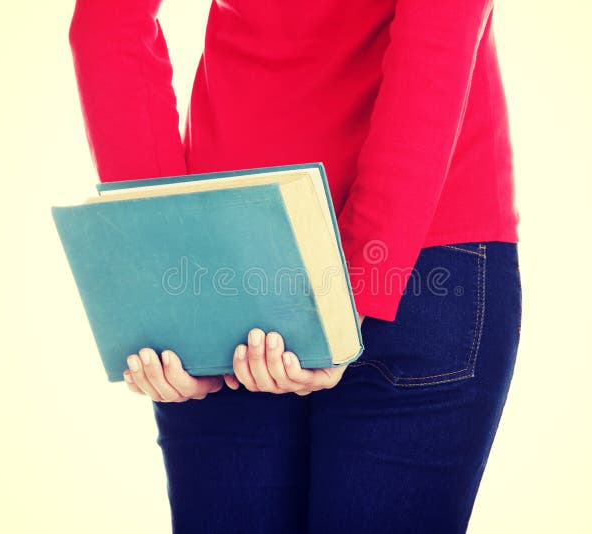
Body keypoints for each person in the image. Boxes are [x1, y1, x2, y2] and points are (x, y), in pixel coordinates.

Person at [68, 0, 522, 532]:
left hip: (232, 249)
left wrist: (172, 270)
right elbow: (439, 35)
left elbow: (108, 21)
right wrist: (345, 298)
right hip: (423, 251)